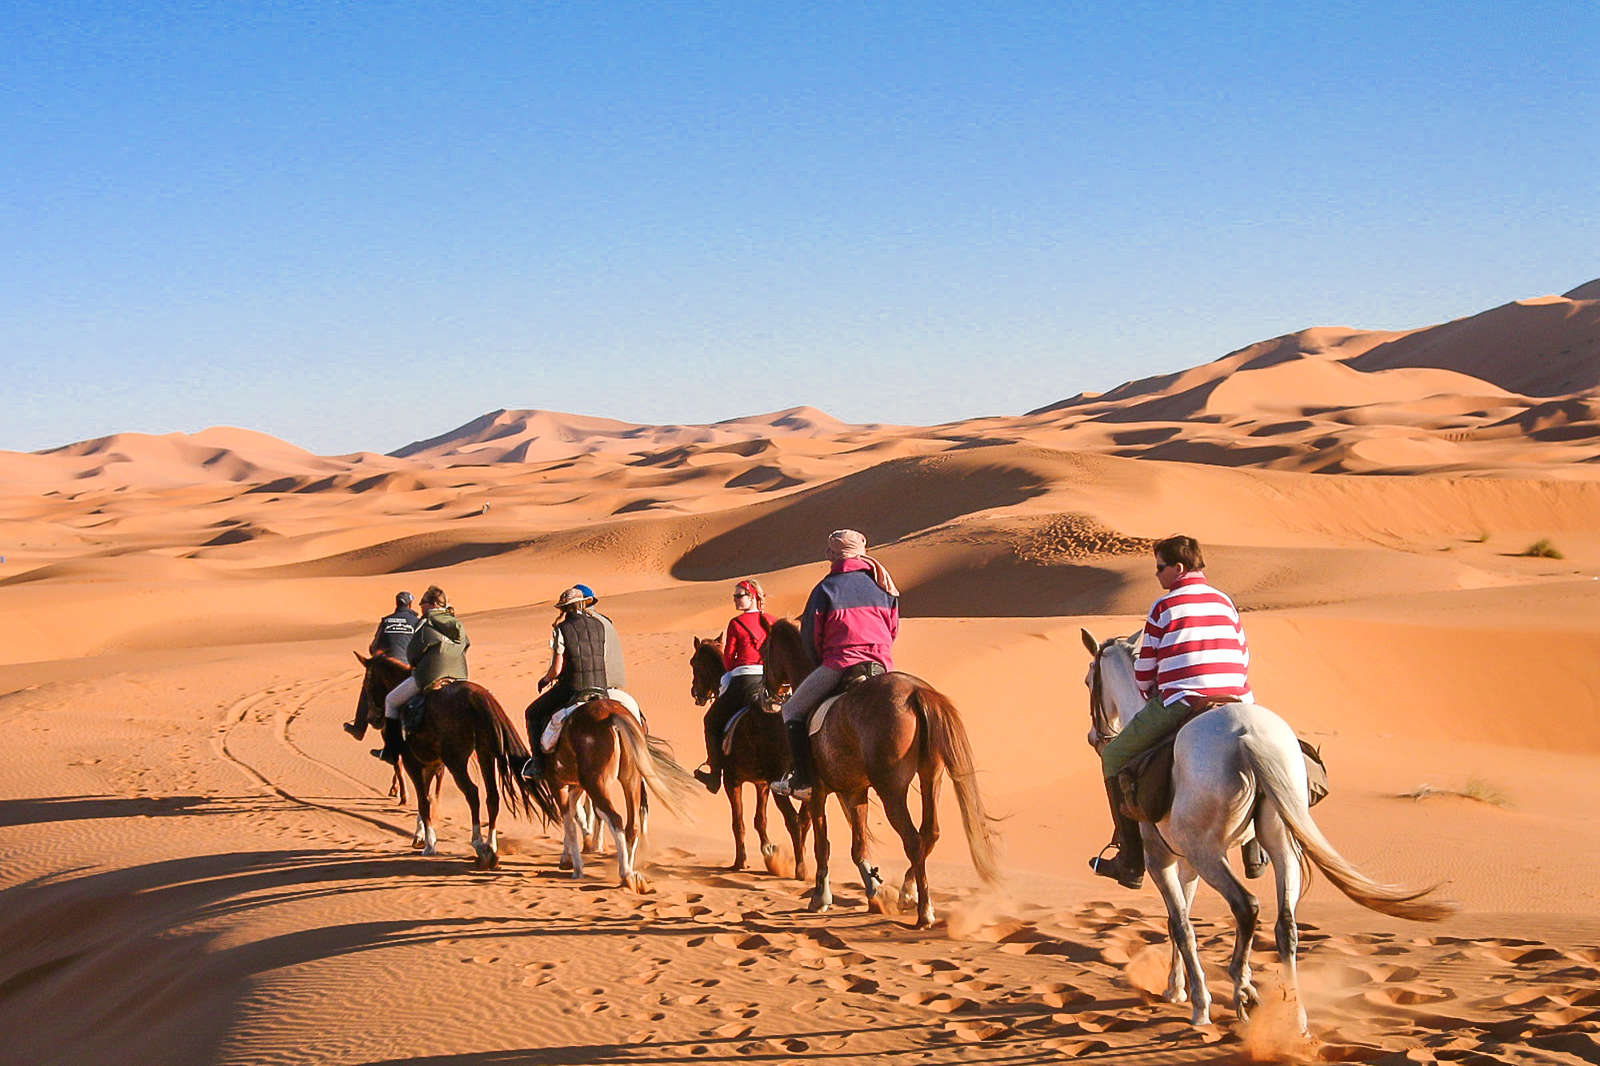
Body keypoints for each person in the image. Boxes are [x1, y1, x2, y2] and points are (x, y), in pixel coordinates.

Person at [1089, 535, 1252, 889]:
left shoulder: (1165, 606)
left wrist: (1148, 692)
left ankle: (1130, 861)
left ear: (1178, 568)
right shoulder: (1225, 602)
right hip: (1238, 699)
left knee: (1114, 755)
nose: (1157, 574)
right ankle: (1255, 847)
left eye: (1160, 567)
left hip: (1184, 700)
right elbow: (1243, 654)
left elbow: (1145, 669)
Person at [771, 530, 900, 801]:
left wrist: (821, 663)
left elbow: (811, 637)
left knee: (792, 708)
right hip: (880, 665)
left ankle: (803, 780)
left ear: (833, 556)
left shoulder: (825, 589)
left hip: (841, 663)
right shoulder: (883, 587)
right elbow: (893, 629)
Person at [693, 579, 776, 793]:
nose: (736, 600)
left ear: (753, 597)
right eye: (735, 596)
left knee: (711, 721)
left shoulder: (736, 623)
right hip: (769, 681)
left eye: (740, 595)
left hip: (743, 681)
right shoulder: (773, 621)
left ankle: (714, 775)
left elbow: (728, 660)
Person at [521, 586, 612, 781]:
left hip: (574, 688)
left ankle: (537, 765)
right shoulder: (599, 626)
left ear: (564, 609)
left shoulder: (562, 629)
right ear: (581, 604)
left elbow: (556, 669)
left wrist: (546, 680)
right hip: (601, 688)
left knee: (532, 713)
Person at [372, 586, 470, 764]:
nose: (420, 607)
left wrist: (420, 663)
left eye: (423, 604)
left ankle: (391, 752)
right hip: (459, 676)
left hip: (430, 676)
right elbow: (466, 644)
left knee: (391, 701)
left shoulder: (424, 622)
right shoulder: (455, 622)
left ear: (431, 604)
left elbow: (414, 653)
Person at [344, 591, 421, 739]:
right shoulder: (416, 622)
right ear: (410, 604)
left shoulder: (386, 621)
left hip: (386, 666)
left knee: (368, 685)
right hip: (406, 668)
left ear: (397, 604)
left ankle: (359, 727)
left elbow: (374, 646)